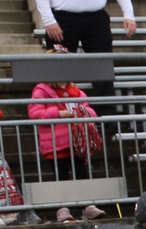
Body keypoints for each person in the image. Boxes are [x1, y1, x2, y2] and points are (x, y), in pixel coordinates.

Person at [27, 75, 104, 210]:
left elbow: (88, 109)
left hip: (77, 143)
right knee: (60, 177)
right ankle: (62, 209)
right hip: (55, 145)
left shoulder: (75, 90)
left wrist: (85, 112)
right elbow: (35, 113)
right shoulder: (41, 90)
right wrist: (58, 113)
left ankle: (88, 206)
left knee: (82, 174)